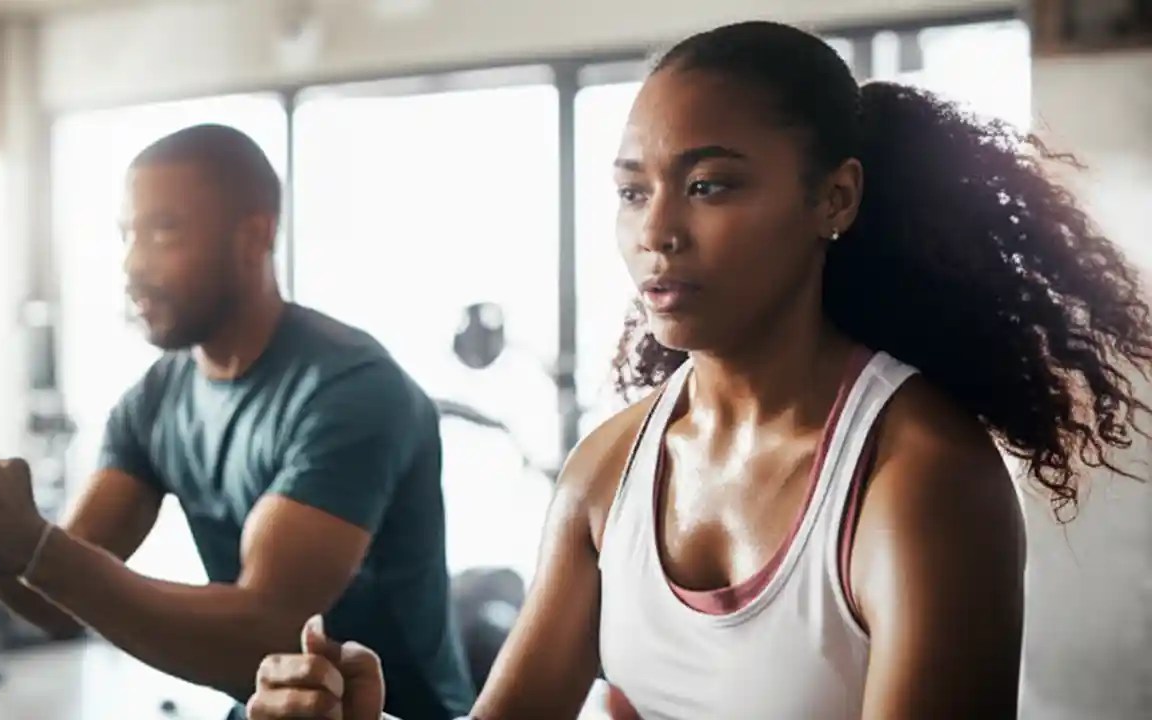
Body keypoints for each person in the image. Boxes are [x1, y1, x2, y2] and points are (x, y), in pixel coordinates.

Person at [242, 21, 1152, 720]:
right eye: (634, 190)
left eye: (710, 184)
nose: (656, 230)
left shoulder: (918, 478)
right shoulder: (607, 471)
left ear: (834, 198)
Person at [0, 124, 474, 720]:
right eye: (127, 235)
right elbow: (57, 600)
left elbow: (264, 630)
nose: (133, 265)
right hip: (267, 708)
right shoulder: (153, 401)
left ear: (254, 236)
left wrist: (32, 545)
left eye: (164, 232)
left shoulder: (355, 392)